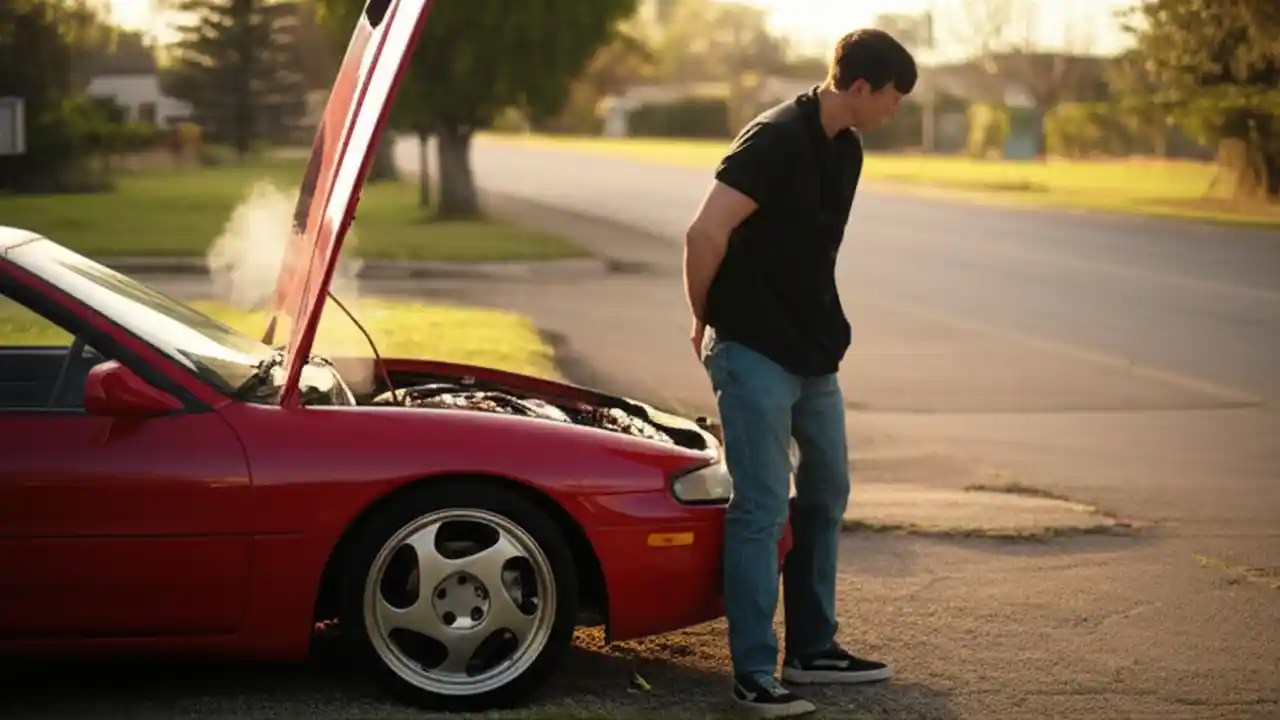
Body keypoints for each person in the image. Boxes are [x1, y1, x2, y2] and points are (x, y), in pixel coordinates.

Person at [682, 28, 917, 718]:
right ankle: (754, 671)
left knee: (825, 494)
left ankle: (812, 649)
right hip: (754, 349)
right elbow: (705, 232)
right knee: (760, 508)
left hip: (813, 353)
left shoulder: (846, 148)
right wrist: (704, 318)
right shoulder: (775, 137)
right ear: (861, 87)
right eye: (895, 97)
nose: (896, 110)